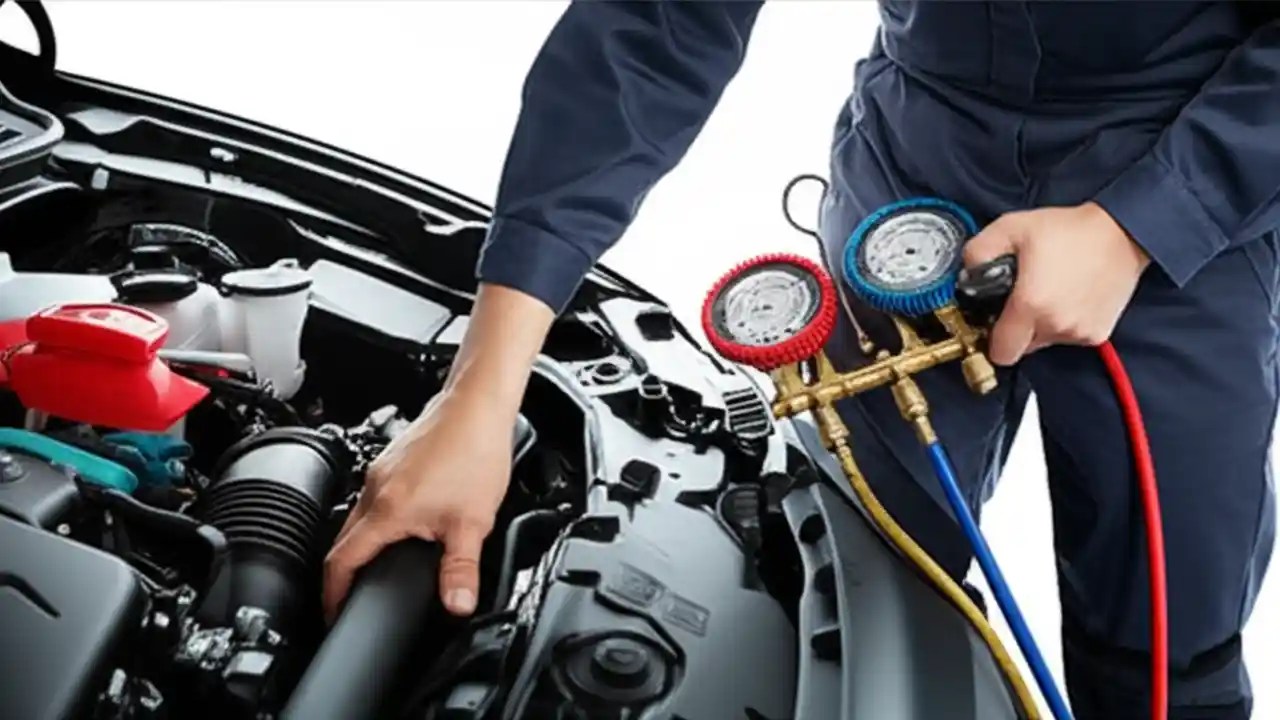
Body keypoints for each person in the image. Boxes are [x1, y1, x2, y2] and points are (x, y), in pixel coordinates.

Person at [323, 2, 1277, 717]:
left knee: (1162, 649)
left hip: (1190, 188)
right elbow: (653, 29)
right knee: (868, 579)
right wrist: (481, 393)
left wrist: (1138, 226)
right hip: (920, 164)